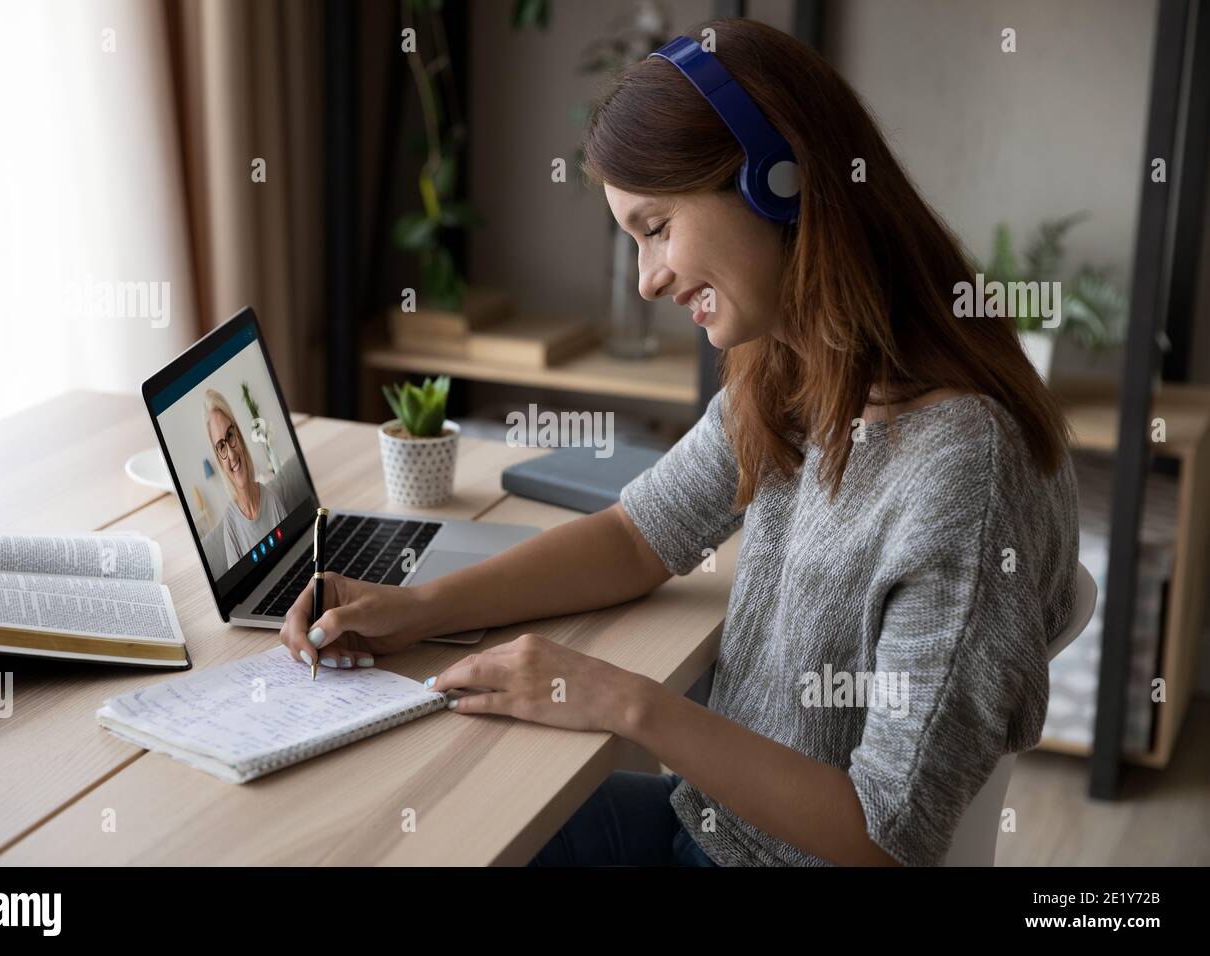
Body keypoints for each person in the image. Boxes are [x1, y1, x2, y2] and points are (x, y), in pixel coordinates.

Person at [279, 17, 1078, 867]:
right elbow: (639, 534)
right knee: (416, 823)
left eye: (657, 228)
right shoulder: (793, 367)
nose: (648, 279)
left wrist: (625, 703)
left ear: (781, 182)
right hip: (707, 828)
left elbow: (888, 838)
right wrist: (419, 609)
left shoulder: (959, 466)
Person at [203, 388, 294, 571]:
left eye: (230, 435)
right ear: (219, 460)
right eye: (221, 446)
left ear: (239, 436)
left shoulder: (270, 498)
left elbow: (293, 556)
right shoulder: (230, 524)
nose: (231, 453)